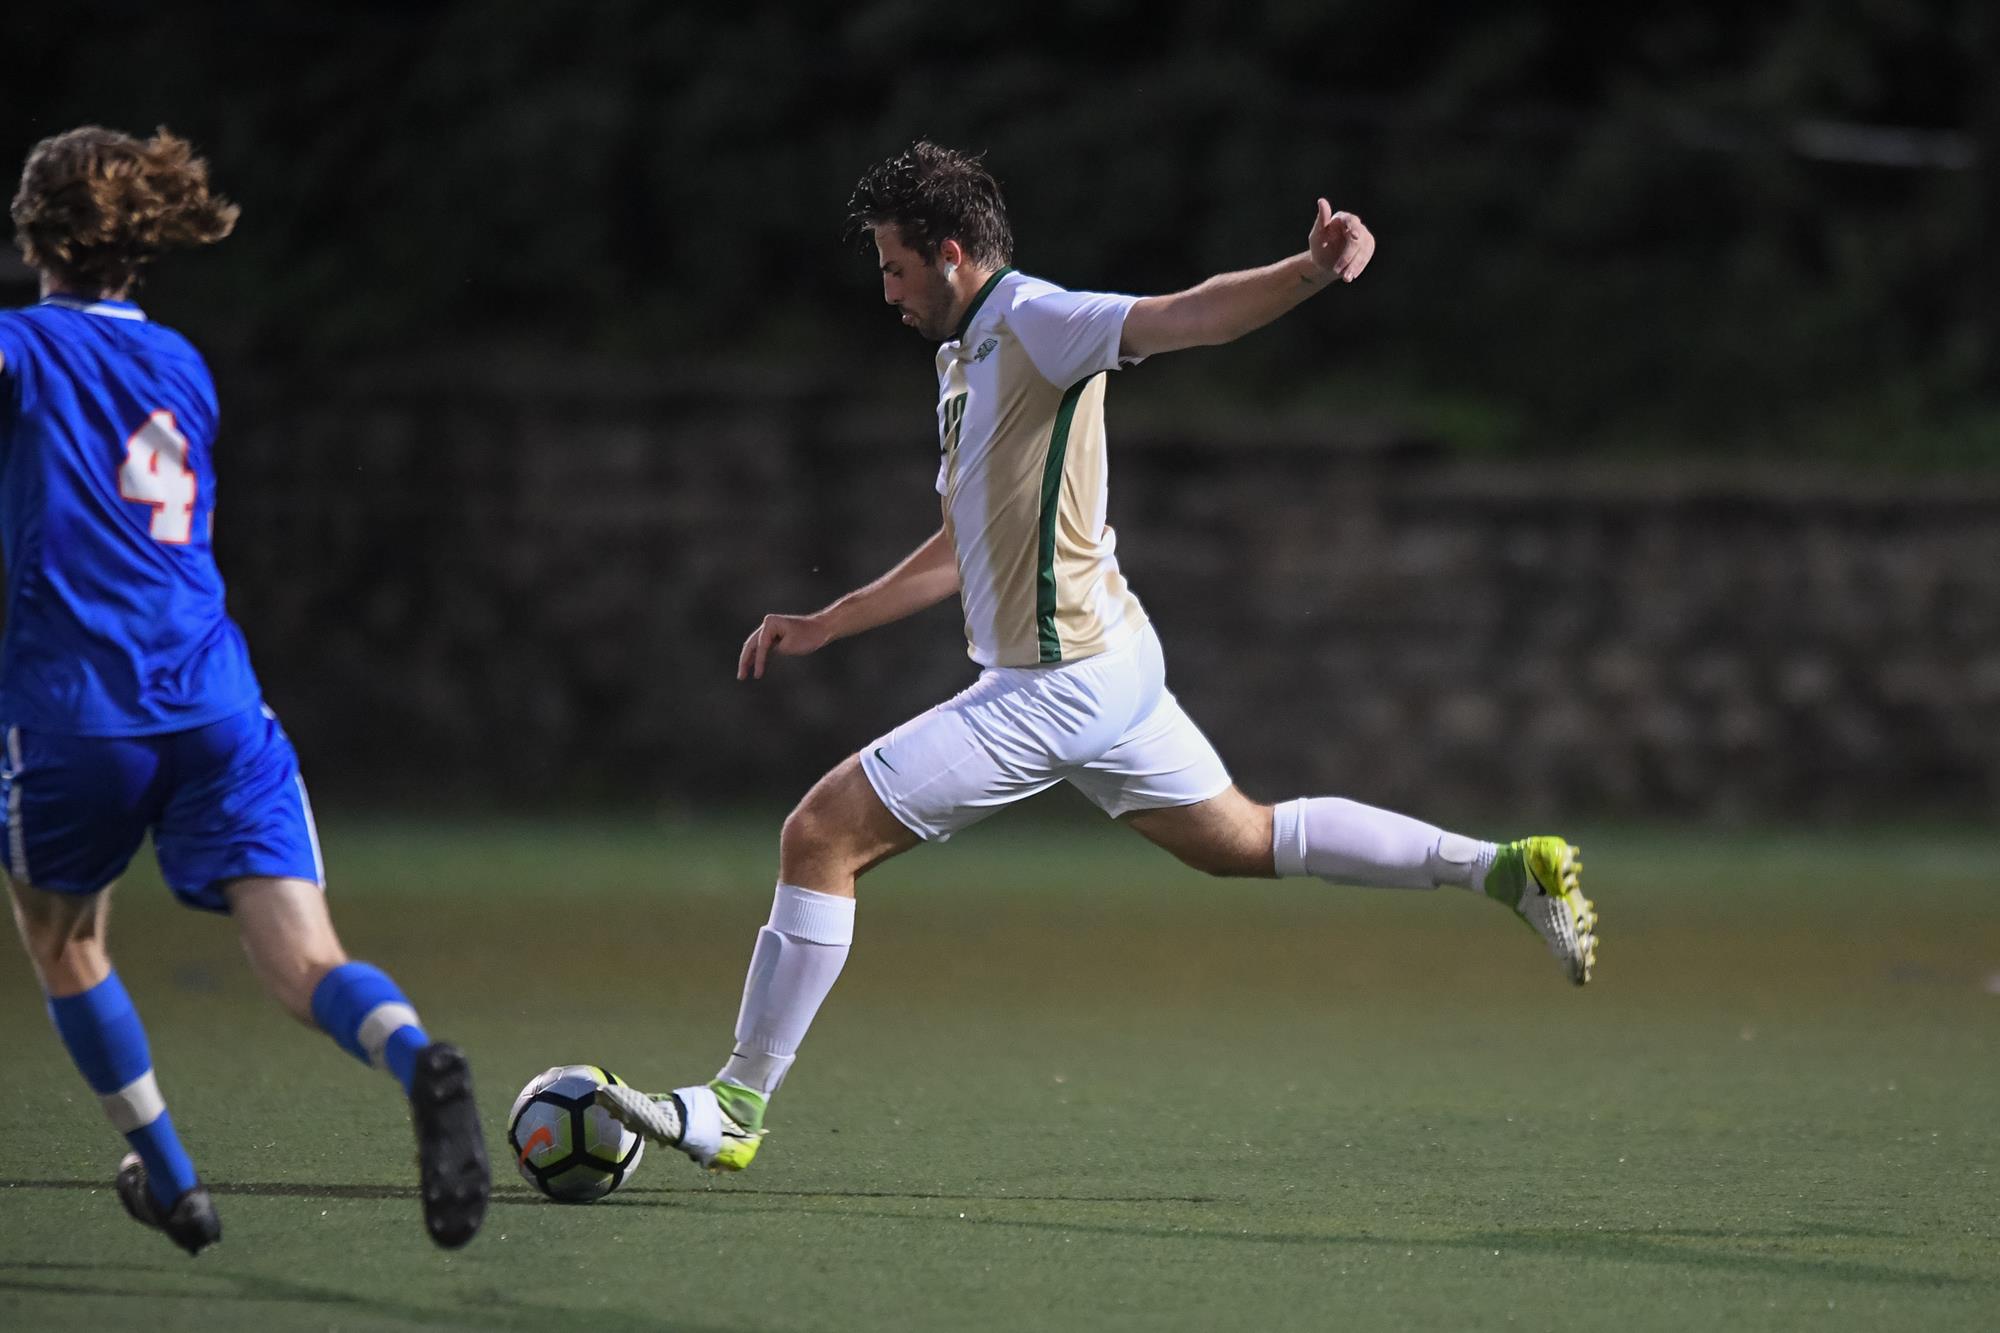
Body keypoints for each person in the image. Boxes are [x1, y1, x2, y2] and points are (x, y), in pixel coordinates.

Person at [597, 142, 1598, 1172]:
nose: (883, 289)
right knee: (1239, 839)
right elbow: (960, 544)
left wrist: (1304, 272)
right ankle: (1502, 868)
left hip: (1056, 684)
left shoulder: (1034, 319)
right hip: (1112, 662)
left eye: (894, 266)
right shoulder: (960, 360)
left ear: (950, 254)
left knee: (819, 834)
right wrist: (827, 620)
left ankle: (736, 1102)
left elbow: (1182, 315)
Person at [0, 126, 488, 1254]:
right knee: (305, 960)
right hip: (218, 701)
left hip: (79, 708)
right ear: (140, 244)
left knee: (65, 941)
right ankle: (418, 1054)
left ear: (36, 235)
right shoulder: (181, 365)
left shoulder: (22, 348)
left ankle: (171, 1177)